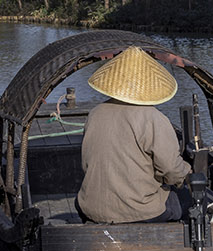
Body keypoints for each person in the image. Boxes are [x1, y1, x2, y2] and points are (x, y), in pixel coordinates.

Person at [76, 45, 192, 224]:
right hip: (140, 212)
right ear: (150, 86)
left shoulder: (95, 113)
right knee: (190, 199)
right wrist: (187, 172)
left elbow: (86, 163)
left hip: (90, 208)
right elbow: (172, 171)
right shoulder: (153, 118)